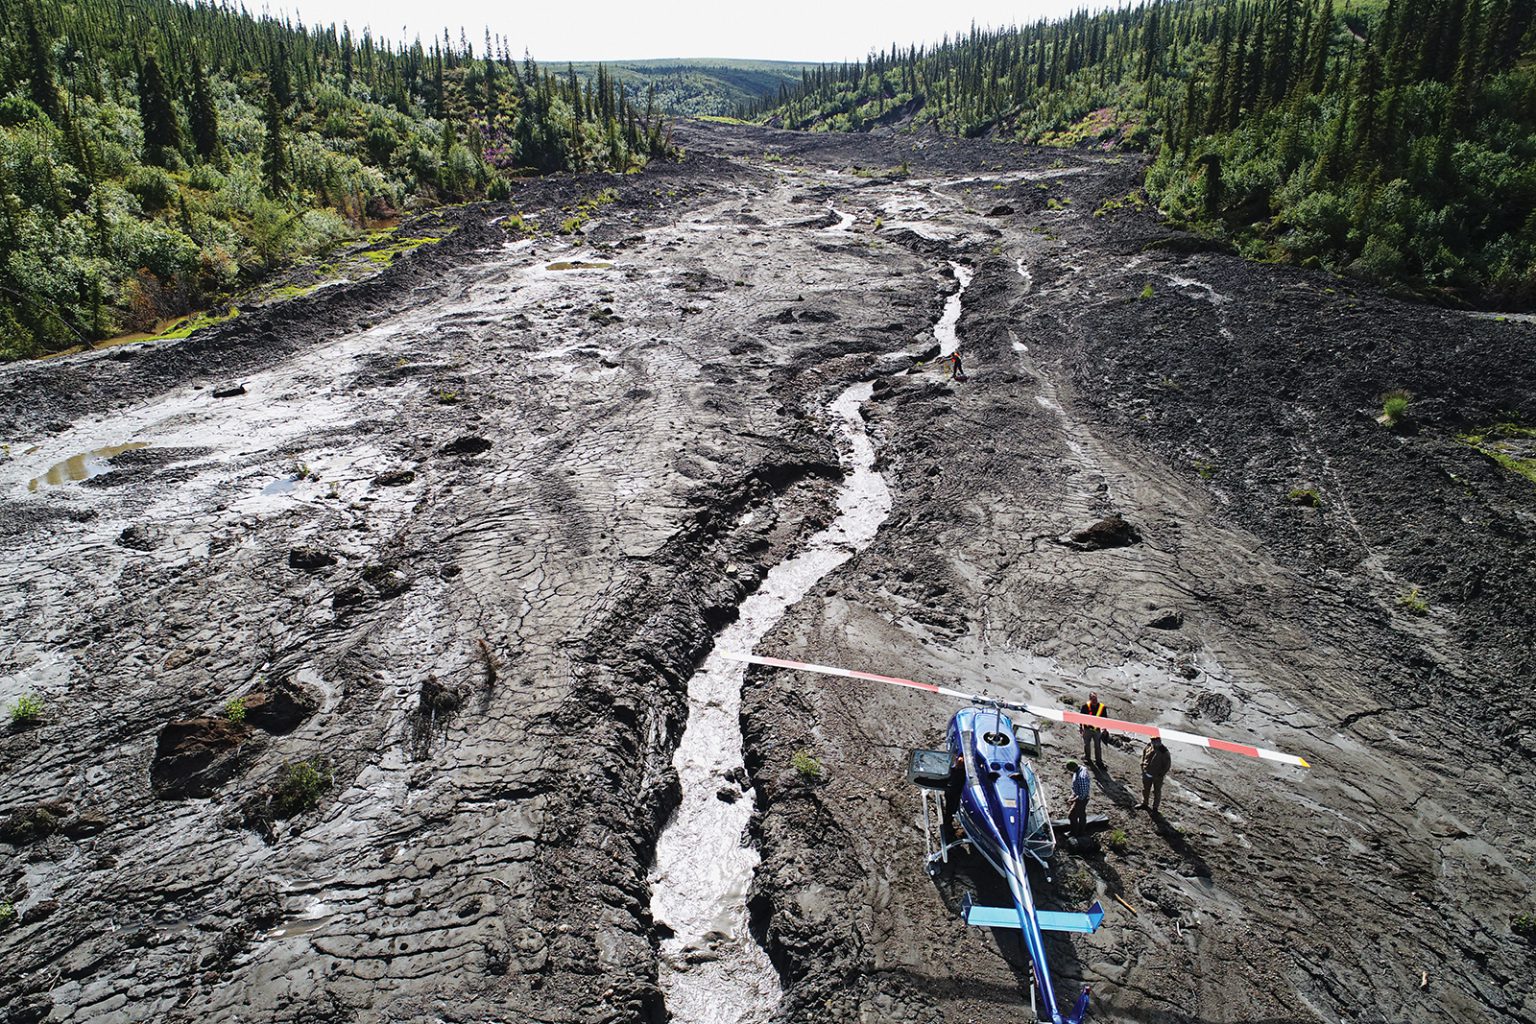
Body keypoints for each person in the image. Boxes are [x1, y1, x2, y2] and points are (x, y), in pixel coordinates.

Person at [1140, 737, 1172, 812]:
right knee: (1145, 790)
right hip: (1146, 773)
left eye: (1157, 740)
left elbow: (1167, 765)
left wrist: (1160, 775)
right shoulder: (1148, 746)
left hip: (1157, 777)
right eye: (1153, 740)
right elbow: (1144, 756)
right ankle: (1144, 803)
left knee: (1157, 792)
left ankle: (1155, 808)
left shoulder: (1164, 751)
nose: (1154, 742)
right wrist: (1142, 766)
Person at [1079, 691, 1108, 766]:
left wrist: (1104, 729)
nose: (1094, 700)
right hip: (1087, 729)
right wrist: (1081, 727)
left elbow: (1105, 719)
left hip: (1097, 730)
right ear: (1090, 699)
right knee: (1087, 745)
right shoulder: (1085, 706)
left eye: (1095, 698)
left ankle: (1099, 761)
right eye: (1092, 698)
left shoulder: (1102, 707)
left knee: (1098, 746)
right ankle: (1087, 758)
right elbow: (1081, 718)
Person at [1065, 760, 1091, 833]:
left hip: (1082, 799)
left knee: (1072, 816)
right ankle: (1082, 830)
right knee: (1081, 814)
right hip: (1080, 795)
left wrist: (1073, 800)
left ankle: (1074, 832)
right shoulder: (1081, 768)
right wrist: (1072, 795)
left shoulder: (1081, 778)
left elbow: (1082, 794)